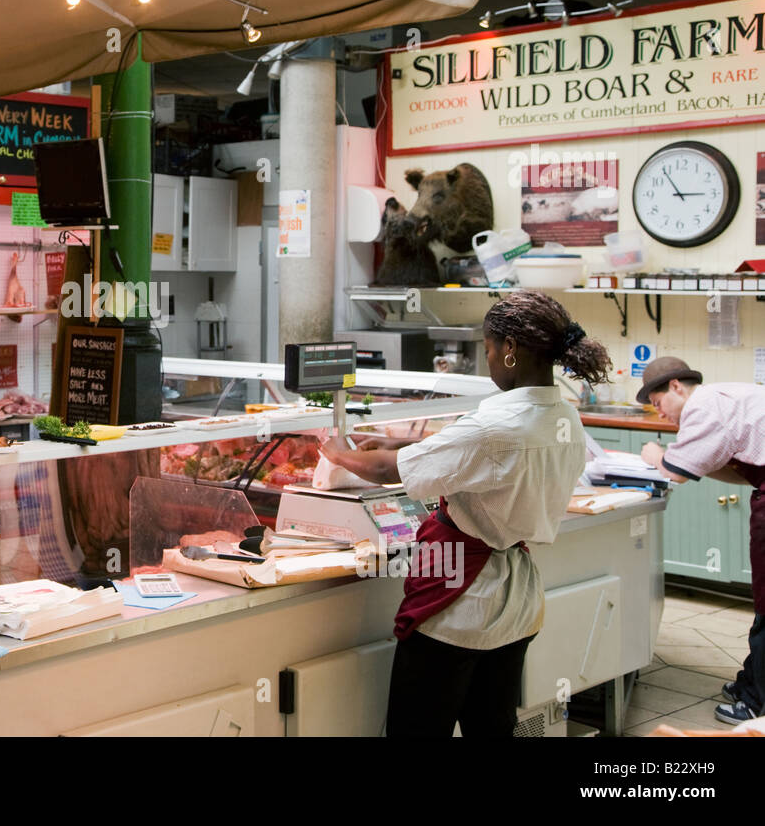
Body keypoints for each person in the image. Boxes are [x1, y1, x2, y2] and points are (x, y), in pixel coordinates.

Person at [320, 290, 610, 736]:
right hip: (518, 600)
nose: (488, 358)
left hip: (460, 602)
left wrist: (339, 453)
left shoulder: (494, 427)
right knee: (491, 725)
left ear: (510, 349)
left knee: (417, 729)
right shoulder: (566, 417)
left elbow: (386, 471)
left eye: (489, 348)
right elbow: (468, 452)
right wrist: (399, 443)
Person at [637, 357, 765, 724]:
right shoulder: (723, 398)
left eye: (659, 404)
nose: (660, 415)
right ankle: (750, 683)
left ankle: (755, 703)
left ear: (676, 386)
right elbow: (733, 470)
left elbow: (674, 473)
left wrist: (654, 455)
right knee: (764, 602)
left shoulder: (702, 407)